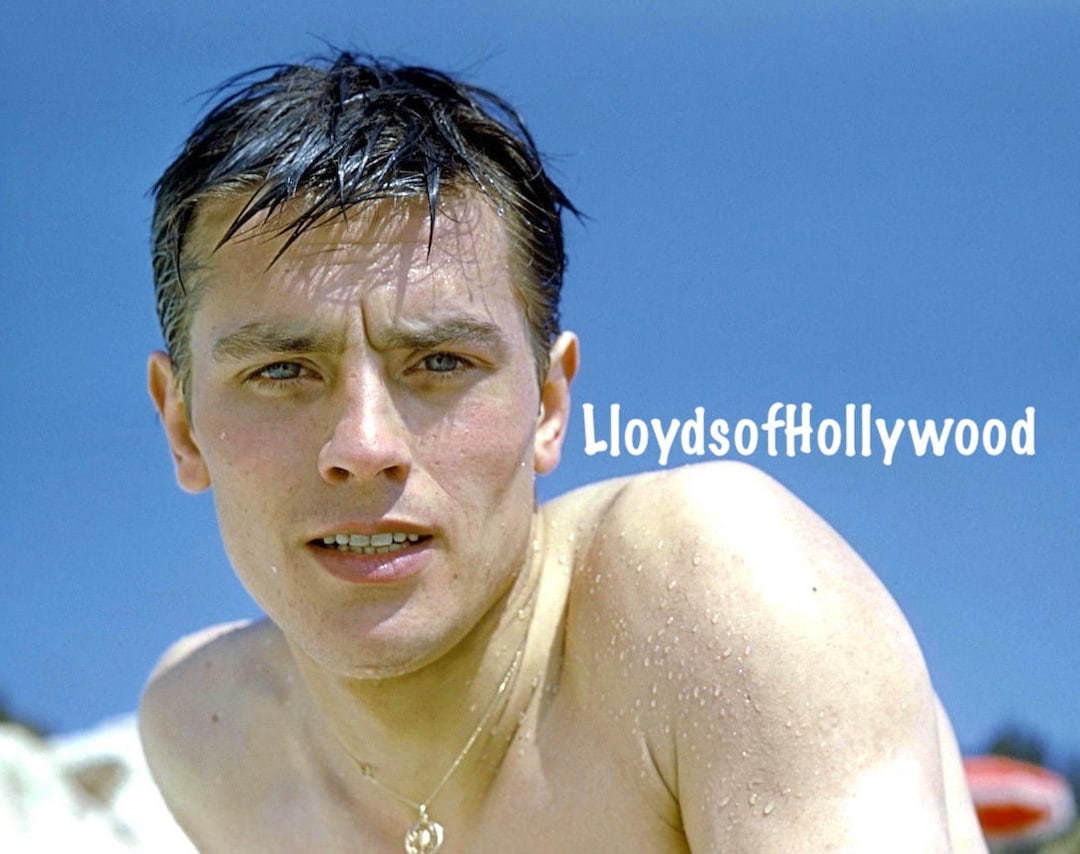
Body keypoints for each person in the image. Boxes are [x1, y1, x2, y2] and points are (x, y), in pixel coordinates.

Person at [141, 52, 986, 852]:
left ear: (549, 404)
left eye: (440, 363)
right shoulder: (210, 736)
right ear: (182, 426)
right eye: (282, 370)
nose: (364, 448)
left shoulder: (718, 593)